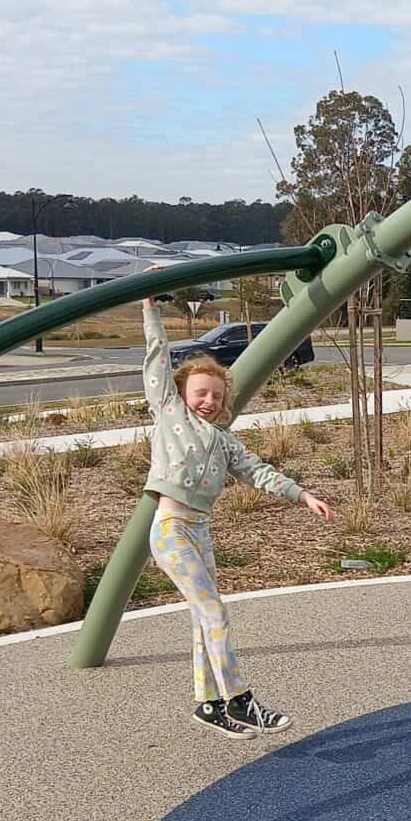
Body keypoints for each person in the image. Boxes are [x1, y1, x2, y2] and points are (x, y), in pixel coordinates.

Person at [141, 297, 333, 738]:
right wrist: (150, 309)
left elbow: (258, 472)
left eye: (216, 395)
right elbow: (156, 363)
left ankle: (209, 703)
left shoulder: (224, 442)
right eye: (200, 393)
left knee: (202, 616)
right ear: (181, 394)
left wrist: (302, 495)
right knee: (215, 613)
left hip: (200, 530)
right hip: (170, 528)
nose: (208, 401)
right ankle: (239, 699)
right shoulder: (169, 414)